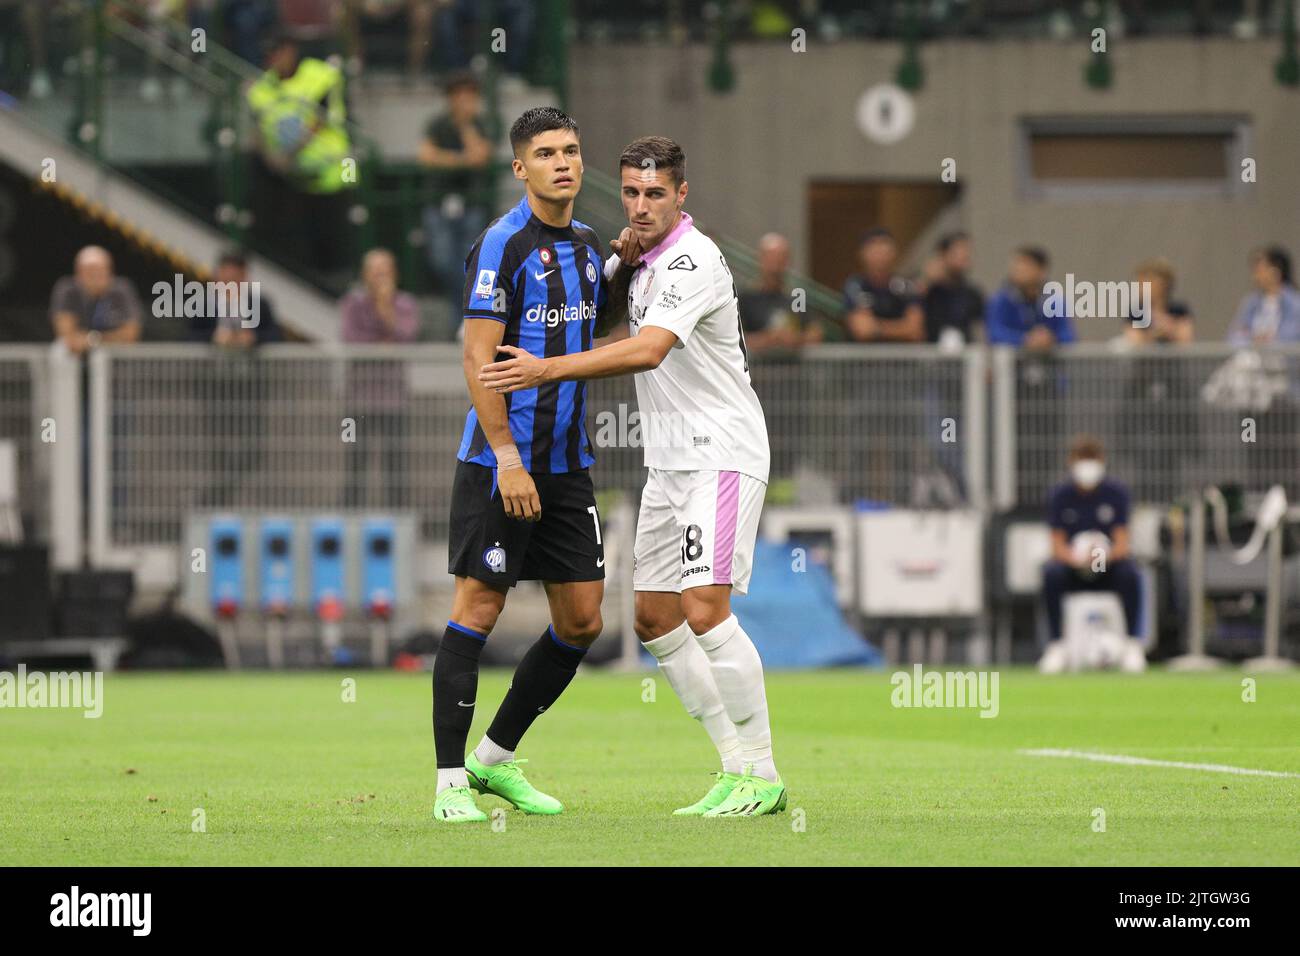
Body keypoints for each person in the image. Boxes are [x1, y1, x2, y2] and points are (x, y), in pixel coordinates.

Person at [479, 135, 787, 818]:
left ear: (682, 195)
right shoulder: (644, 260)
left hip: (722, 453)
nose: (642, 205)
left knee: (705, 609)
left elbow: (647, 351)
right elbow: (610, 317)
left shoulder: (693, 258)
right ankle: (733, 768)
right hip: (669, 461)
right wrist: (619, 267)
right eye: (631, 193)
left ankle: (763, 773)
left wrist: (544, 368)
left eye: (656, 194)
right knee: (653, 617)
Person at [431, 107, 634, 825]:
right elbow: (476, 358)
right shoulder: (501, 244)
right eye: (546, 152)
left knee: (582, 621)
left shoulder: (583, 244)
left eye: (572, 150)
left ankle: (493, 760)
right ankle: (450, 781)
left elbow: (587, 329)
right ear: (521, 167)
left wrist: (624, 269)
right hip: (499, 464)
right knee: (478, 609)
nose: (563, 162)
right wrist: (509, 458)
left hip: (568, 465)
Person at [246, 32, 353, 275]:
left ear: (292, 50)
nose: (274, 58)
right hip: (291, 177)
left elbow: (323, 118)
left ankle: (338, 277)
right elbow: (257, 127)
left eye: (279, 51)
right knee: (297, 242)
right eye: (270, 53)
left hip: (334, 171)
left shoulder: (320, 74)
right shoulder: (261, 87)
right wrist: (271, 158)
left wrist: (290, 153)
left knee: (337, 236)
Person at [1039, 435, 1146, 674]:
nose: (1087, 466)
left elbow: (1122, 543)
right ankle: (1057, 645)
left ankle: (1132, 644)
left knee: (1130, 574)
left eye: (1092, 459)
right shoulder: (1061, 495)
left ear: (1102, 462)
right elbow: (1056, 545)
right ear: (1071, 462)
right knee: (1051, 573)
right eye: (1082, 459)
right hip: (1074, 567)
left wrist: (1101, 557)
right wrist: (1077, 559)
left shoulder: (1116, 493)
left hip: (1106, 566)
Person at [340, 248, 420, 508]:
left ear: (394, 274)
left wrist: (386, 308)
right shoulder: (352, 303)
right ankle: (350, 520)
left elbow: (406, 337)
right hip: (357, 400)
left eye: (385, 272)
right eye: (375, 272)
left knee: (395, 465)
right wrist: (383, 346)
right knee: (354, 462)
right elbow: (350, 340)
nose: (380, 278)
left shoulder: (405, 304)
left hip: (393, 399)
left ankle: (398, 521)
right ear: (365, 275)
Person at [419, 72, 493, 318]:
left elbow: (480, 157)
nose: (463, 101)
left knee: (468, 263)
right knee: (441, 260)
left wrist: (465, 126)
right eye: (458, 96)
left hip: (472, 204)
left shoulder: (482, 123)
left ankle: (462, 318)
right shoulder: (437, 123)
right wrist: (461, 160)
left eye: (469, 96)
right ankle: (459, 311)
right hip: (439, 202)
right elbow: (426, 156)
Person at [737, 232, 821, 353]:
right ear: (760, 260)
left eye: (780, 259)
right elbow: (734, 337)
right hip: (757, 370)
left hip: (791, 370)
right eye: (770, 258)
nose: (775, 266)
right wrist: (768, 340)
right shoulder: (746, 298)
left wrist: (795, 339)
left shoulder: (797, 296)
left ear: (787, 262)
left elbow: (814, 332)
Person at [841, 228, 924, 342]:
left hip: (900, 357)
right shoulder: (855, 285)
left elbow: (915, 330)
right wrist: (901, 328)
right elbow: (862, 330)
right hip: (865, 357)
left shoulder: (905, 286)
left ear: (894, 252)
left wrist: (876, 327)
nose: (879, 254)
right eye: (873, 248)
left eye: (884, 247)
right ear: (862, 254)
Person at [1227, 246, 1300, 346]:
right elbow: (1234, 335)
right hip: (1252, 357)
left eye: (1260, 270)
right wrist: (1252, 340)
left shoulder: (1295, 303)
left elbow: (1292, 337)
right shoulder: (1251, 302)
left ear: (1275, 271)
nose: (1255, 276)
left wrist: (1270, 340)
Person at [921, 231, 983, 346]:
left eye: (967, 252)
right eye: (958, 252)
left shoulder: (972, 294)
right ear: (942, 254)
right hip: (930, 355)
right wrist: (926, 282)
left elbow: (979, 329)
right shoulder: (929, 290)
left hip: (964, 356)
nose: (964, 256)